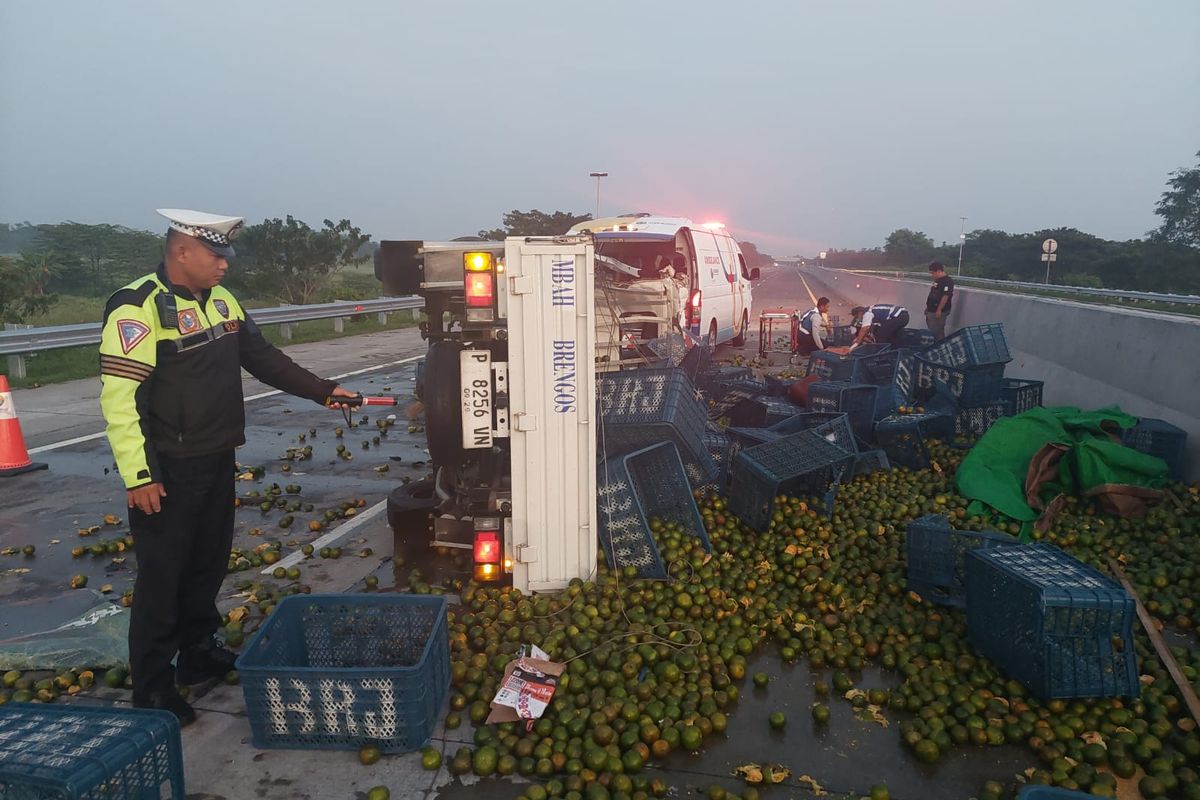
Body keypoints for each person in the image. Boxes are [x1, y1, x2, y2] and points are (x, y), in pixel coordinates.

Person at [98, 208, 358, 725]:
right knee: (162, 579)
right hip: (166, 469)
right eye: (216, 256)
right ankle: (151, 687)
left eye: (226, 257)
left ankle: (198, 653)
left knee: (206, 565)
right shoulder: (138, 307)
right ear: (182, 251)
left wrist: (324, 392)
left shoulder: (223, 302)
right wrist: (139, 474)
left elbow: (263, 359)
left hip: (216, 458)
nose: (224, 266)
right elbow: (120, 399)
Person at [925, 261, 954, 341]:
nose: (932, 275)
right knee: (933, 329)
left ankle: (939, 346)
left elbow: (945, 296)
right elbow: (933, 294)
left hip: (939, 311)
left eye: (933, 273)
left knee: (937, 331)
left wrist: (939, 310)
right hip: (931, 310)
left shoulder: (947, 281)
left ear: (939, 271)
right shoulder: (937, 280)